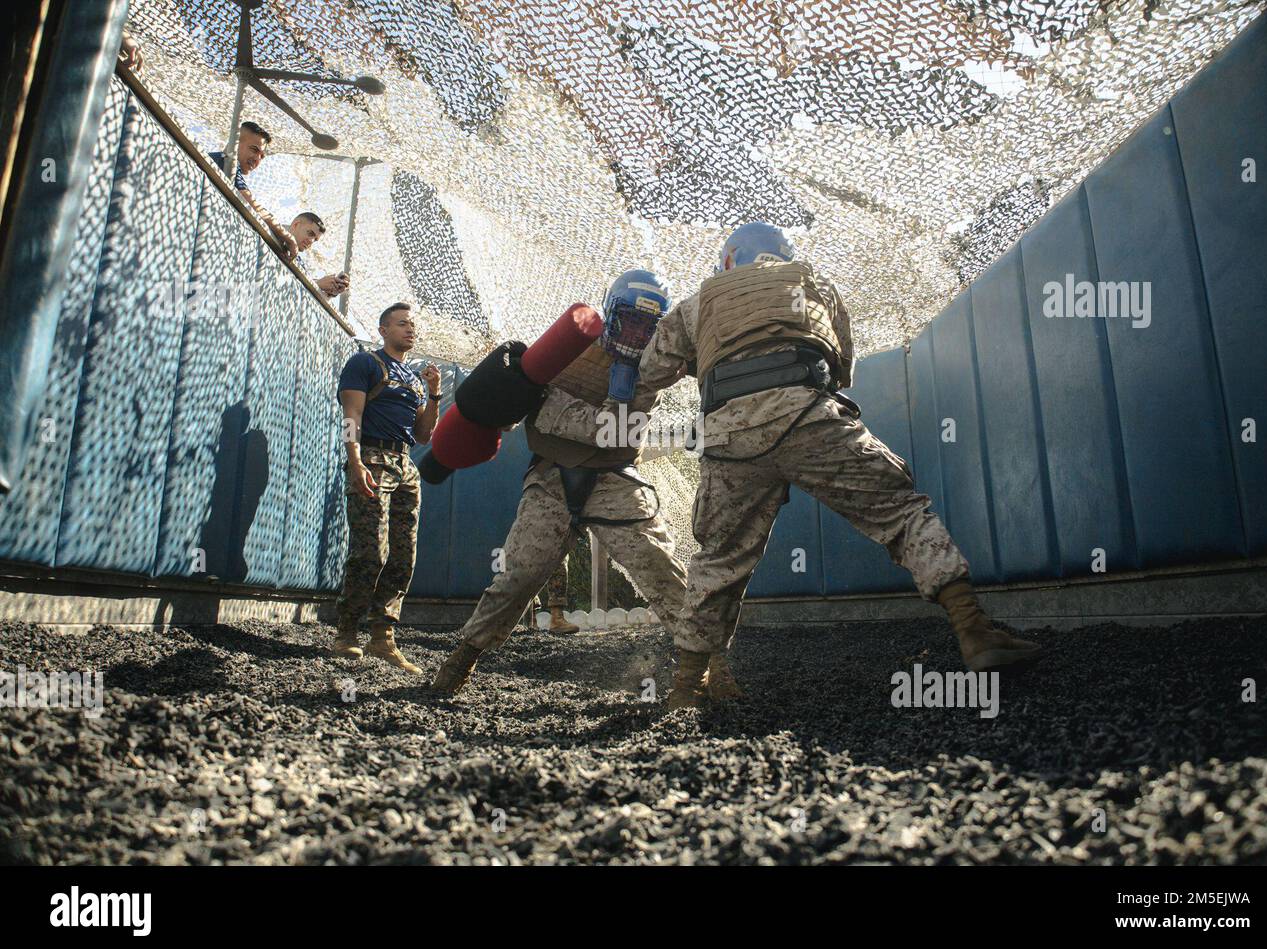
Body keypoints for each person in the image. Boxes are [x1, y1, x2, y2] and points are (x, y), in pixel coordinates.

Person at [602, 223, 1045, 709]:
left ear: (728, 262)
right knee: (900, 512)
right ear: (781, 254)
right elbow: (841, 370)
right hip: (808, 417)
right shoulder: (814, 282)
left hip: (731, 436)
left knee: (719, 559)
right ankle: (974, 630)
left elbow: (649, 373)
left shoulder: (698, 301)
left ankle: (687, 687)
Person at [430, 270, 692, 698]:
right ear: (611, 315)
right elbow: (552, 415)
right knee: (518, 576)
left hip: (614, 480)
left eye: (650, 326)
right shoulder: (567, 349)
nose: (640, 333)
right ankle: (463, 659)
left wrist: (614, 409)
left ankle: (706, 666)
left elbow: (619, 433)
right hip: (552, 476)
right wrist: (606, 412)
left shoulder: (653, 365)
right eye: (632, 321)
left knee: (660, 568)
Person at [334, 303, 441, 673]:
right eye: (401, 324)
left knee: (402, 556)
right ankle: (347, 632)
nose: (410, 329)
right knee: (370, 552)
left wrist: (435, 393)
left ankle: (383, 638)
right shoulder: (365, 364)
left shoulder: (413, 379)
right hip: (373, 459)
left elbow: (425, 434)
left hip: (405, 465)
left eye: (412, 324)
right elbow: (352, 417)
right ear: (383, 329)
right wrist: (355, 461)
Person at [206, 121, 298, 256]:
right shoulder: (226, 162)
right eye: (254, 150)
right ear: (235, 142)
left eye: (262, 156)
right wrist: (288, 237)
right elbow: (253, 206)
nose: (257, 159)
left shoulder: (224, 165)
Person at [287, 212, 350, 298]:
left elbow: (299, 284)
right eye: (310, 233)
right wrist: (317, 284)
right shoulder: (271, 234)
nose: (311, 241)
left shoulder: (299, 262)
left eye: (315, 240)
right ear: (296, 225)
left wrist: (330, 290)